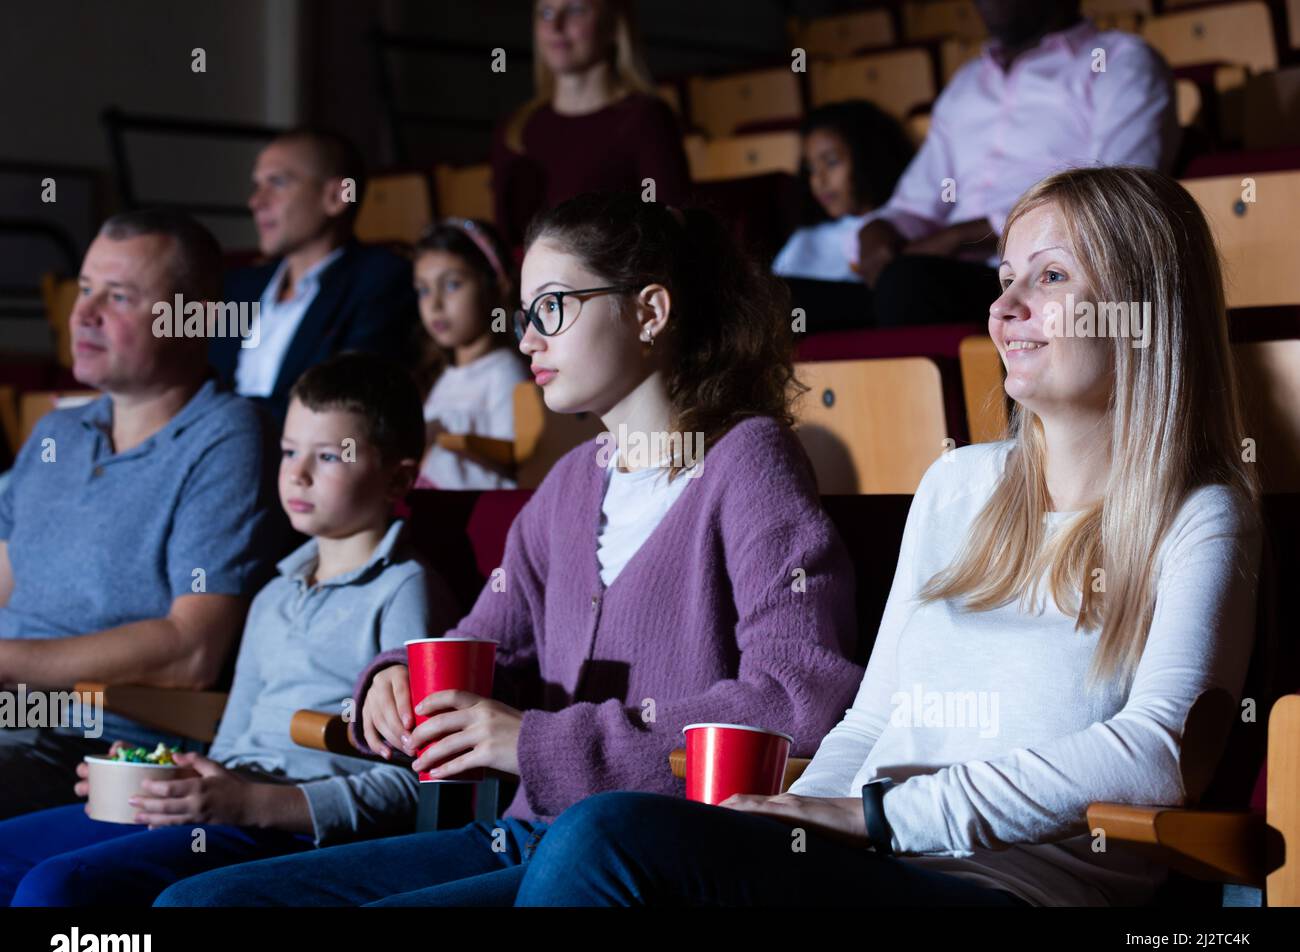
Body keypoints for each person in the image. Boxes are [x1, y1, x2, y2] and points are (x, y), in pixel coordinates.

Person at [510, 165, 1262, 907]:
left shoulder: (1202, 511)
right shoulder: (956, 485)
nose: (1005, 307)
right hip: (869, 865)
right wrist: (791, 822)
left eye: (1051, 276)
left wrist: (874, 818)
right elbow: (872, 720)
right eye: (1004, 278)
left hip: (1015, 889)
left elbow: (1157, 754)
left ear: (1142, 308)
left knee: (603, 837)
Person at [154, 191, 863, 907]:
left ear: (650, 311)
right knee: (199, 904)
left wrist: (534, 742)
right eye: (527, 316)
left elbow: (796, 697)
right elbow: (483, 643)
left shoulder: (749, 461)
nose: (528, 340)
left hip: (652, 855)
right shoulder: (567, 485)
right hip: (525, 837)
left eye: (553, 307)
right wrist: (396, 677)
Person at [0, 352, 459, 905]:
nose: (298, 473)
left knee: (57, 888)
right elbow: (232, 744)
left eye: (330, 456)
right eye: (289, 451)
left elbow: (418, 786)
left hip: (290, 825)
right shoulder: (273, 594)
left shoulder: (405, 589)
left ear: (399, 477)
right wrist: (170, 772)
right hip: (228, 801)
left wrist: (249, 801)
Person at [0, 209, 281, 820]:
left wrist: (7, 667)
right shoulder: (56, 432)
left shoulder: (227, 435)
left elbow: (191, 649)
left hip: (97, 744)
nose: (84, 313)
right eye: (84, 290)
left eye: (118, 296)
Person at [855, 0, 1178, 328]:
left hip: (1048, 282)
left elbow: (1114, 200)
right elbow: (916, 204)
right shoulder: (966, 83)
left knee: (907, 283)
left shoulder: (1121, 61)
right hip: (934, 274)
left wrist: (960, 237)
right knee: (807, 296)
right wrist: (879, 228)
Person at [213, 128, 417, 426]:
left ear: (336, 196)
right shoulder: (239, 285)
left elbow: (342, 404)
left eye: (277, 182)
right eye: (257, 185)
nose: (256, 201)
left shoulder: (381, 280)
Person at [491, 0, 691, 249]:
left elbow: (668, 225)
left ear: (612, 26)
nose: (555, 26)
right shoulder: (515, 132)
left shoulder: (645, 118)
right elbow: (507, 244)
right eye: (545, 12)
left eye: (575, 10)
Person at [772, 101, 914, 333]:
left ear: (870, 157)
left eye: (831, 162)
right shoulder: (805, 238)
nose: (819, 179)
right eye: (811, 168)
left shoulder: (902, 224)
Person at [412, 218, 530, 489]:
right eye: (424, 290)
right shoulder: (443, 377)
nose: (435, 305)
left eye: (452, 285)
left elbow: (517, 477)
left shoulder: (504, 372)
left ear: (496, 285)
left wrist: (432, 453)